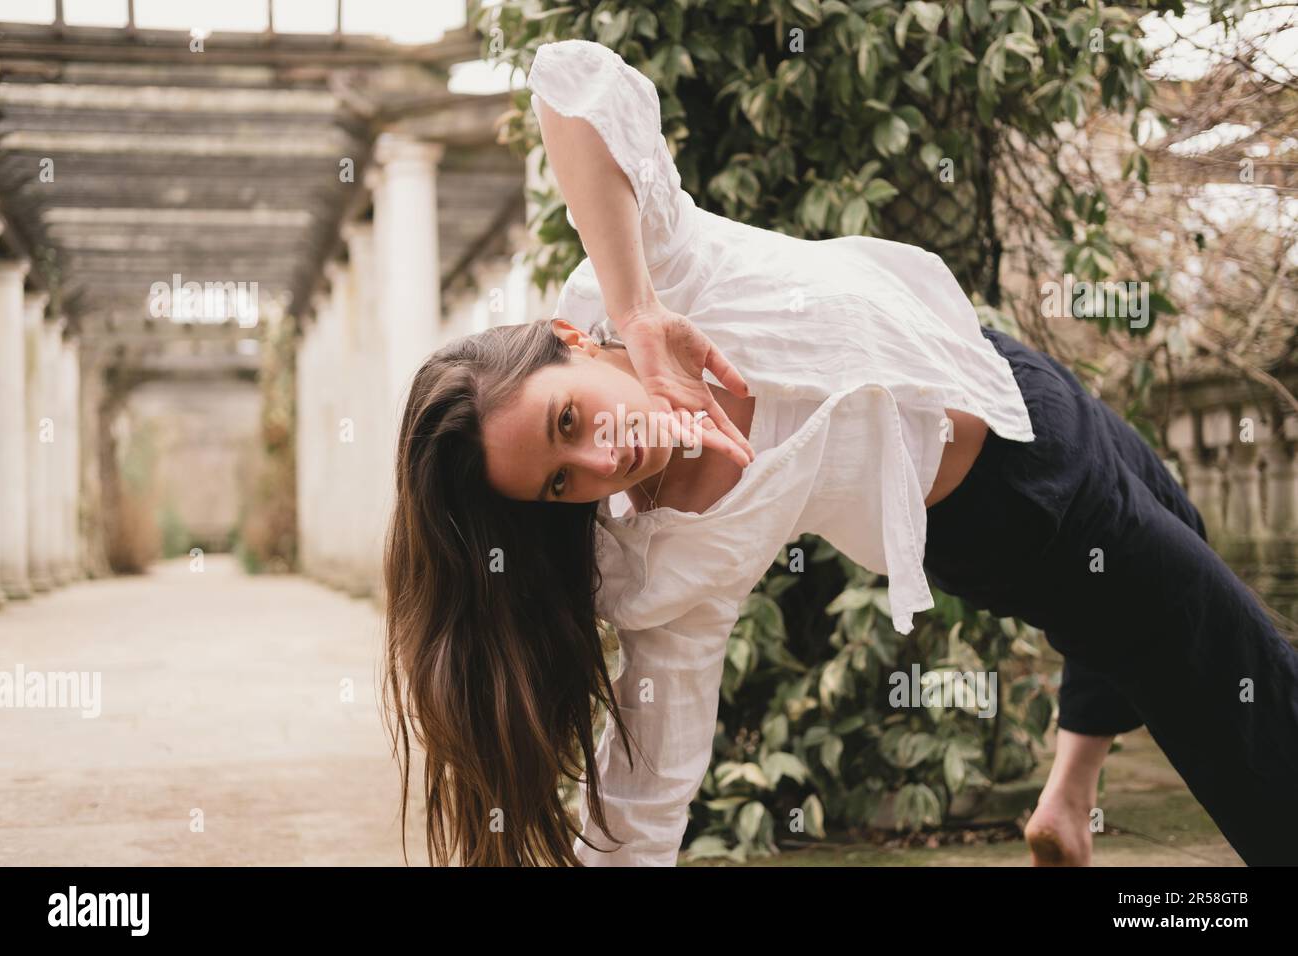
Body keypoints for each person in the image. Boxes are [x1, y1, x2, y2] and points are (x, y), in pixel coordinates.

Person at [380, 38, 1298, 867]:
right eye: (556, 486)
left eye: (567, 423)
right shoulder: (669, 560)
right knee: (1244, 688)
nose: (593, 468)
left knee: (1183, 526)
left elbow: (571, 81)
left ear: (571, 342)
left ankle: (1068, 797)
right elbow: (646, 790)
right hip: (1017, 515)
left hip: (1008, 375)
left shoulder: (657, 269)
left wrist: (638, 312)